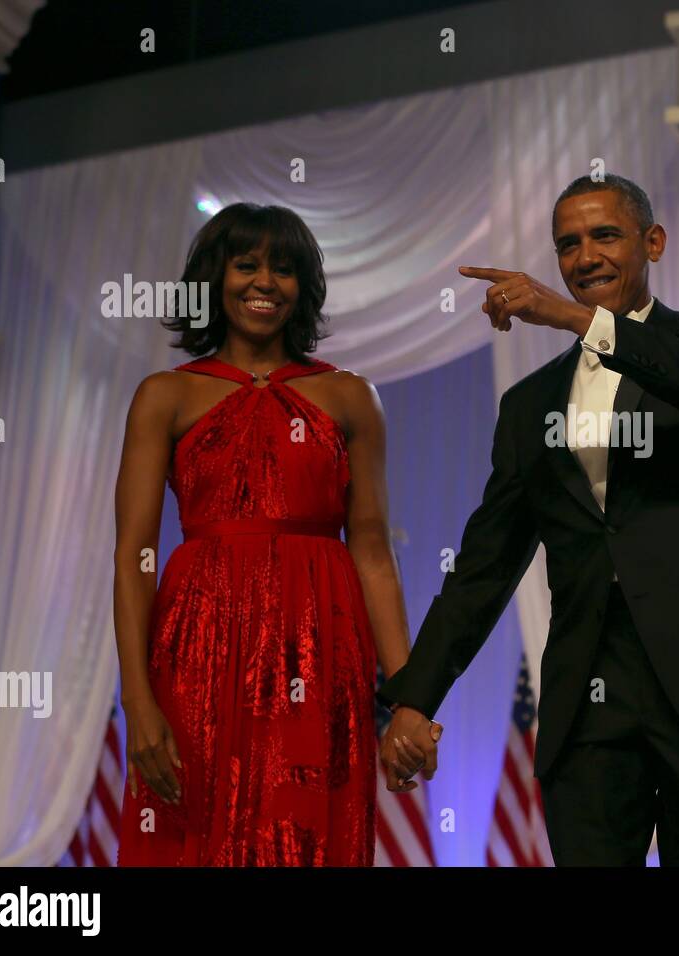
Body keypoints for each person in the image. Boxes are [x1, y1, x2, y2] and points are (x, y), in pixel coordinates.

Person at [379, 175, 679, 865]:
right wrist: (413, 697)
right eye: (568, 244)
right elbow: (485, 567)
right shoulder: (530, 406)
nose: (585, 257)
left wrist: (581, 321)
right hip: (589, 701)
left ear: (653, 242)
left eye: (604, 236)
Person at [112, 203, 434, 866]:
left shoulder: (351, 398)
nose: (266, 281)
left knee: (306, 835)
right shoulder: (163, 395)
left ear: (304, 286)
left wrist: (409, 698)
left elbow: (373, 553)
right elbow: (133, 557)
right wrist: (137, 703)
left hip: (318, 659)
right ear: (214, 276)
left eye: (284, 268)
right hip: (196, 654)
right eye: (247, 264)